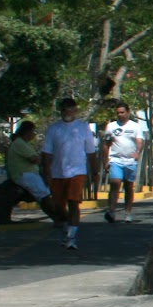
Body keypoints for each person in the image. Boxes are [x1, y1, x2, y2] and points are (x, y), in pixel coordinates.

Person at [40, 97, 99, 250]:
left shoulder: (83, 127)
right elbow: (46, 152)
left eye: (72, 109)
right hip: (58, 172)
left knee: (73, 202)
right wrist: (46, 171)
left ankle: (72, 237)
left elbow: (91, 151)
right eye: (66, 109)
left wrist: (95, 171)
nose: (69, 112)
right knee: (59, 206)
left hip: (77, 171)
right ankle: (67, 230)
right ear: (61, 111)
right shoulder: (54, 129)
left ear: (75, 110)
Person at [100, 101, 146, 223]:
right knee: (115, 183)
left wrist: (138, 151)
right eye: (118, 113)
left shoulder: (135, 126)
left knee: (128, 187)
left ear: (128, 112)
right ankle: (112, 211)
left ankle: (128, 212)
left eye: (122, 112)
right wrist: (105, 160)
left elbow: (140, 141)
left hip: (130, 161)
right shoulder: (111, 126)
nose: (120, 115)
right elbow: (106, 143)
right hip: (116, 159)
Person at [5, 120, 54, 217]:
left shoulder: (23, 143)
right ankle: (59, 216)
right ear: (27, 132)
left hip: (29, 173)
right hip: (24, 174)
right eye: (33, 132)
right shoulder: (19, 144)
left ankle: (54, 215)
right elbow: (34, 159)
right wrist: (45, 158)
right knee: (44, 195)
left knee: (44, 194)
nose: (34, 134)